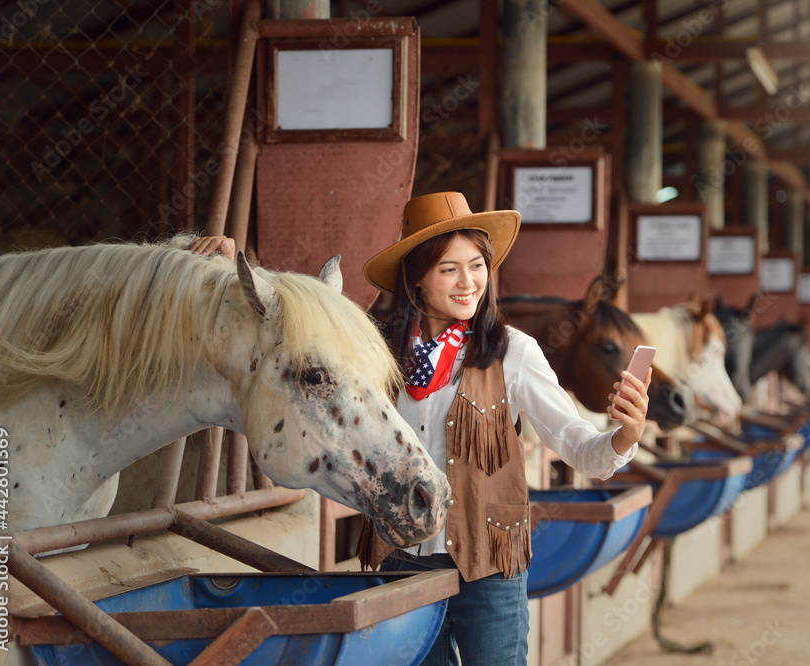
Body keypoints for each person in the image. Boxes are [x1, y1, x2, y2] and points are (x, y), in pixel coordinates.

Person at [189, 191, 650, 665]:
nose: (468, 282)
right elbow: (300, 322)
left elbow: (580, 449)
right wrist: (233, 265)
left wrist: (624, 435)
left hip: (490, 571)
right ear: (416, 279)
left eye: (477, 265)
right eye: (449, 269)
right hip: (401, 566)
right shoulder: (371, 351)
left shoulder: (513, 352)